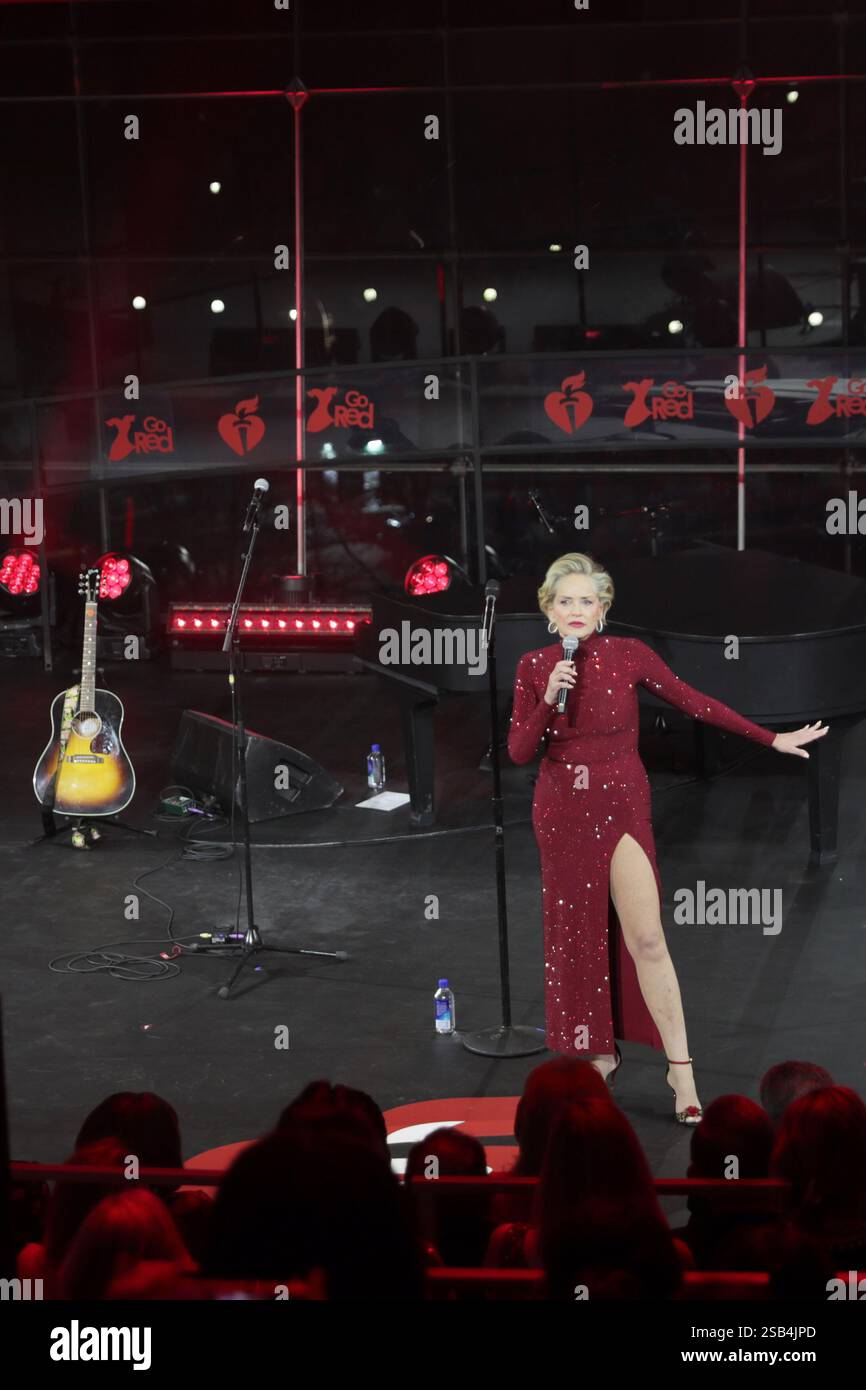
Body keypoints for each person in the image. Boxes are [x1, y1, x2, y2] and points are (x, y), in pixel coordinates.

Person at [508, 552, 828, 1122]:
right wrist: (547, 699)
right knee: (578, 941)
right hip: (561, 812)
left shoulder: (629, 655)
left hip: (622, 805)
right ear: (549, 611)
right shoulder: (535, 667)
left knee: (648, 938)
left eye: (588, 600)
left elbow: (692, 701)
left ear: (603, 609)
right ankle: (597, 1055)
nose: (577, 610)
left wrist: (770, 739)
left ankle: (680, 1069)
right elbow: (518, 751)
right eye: (566, 601)